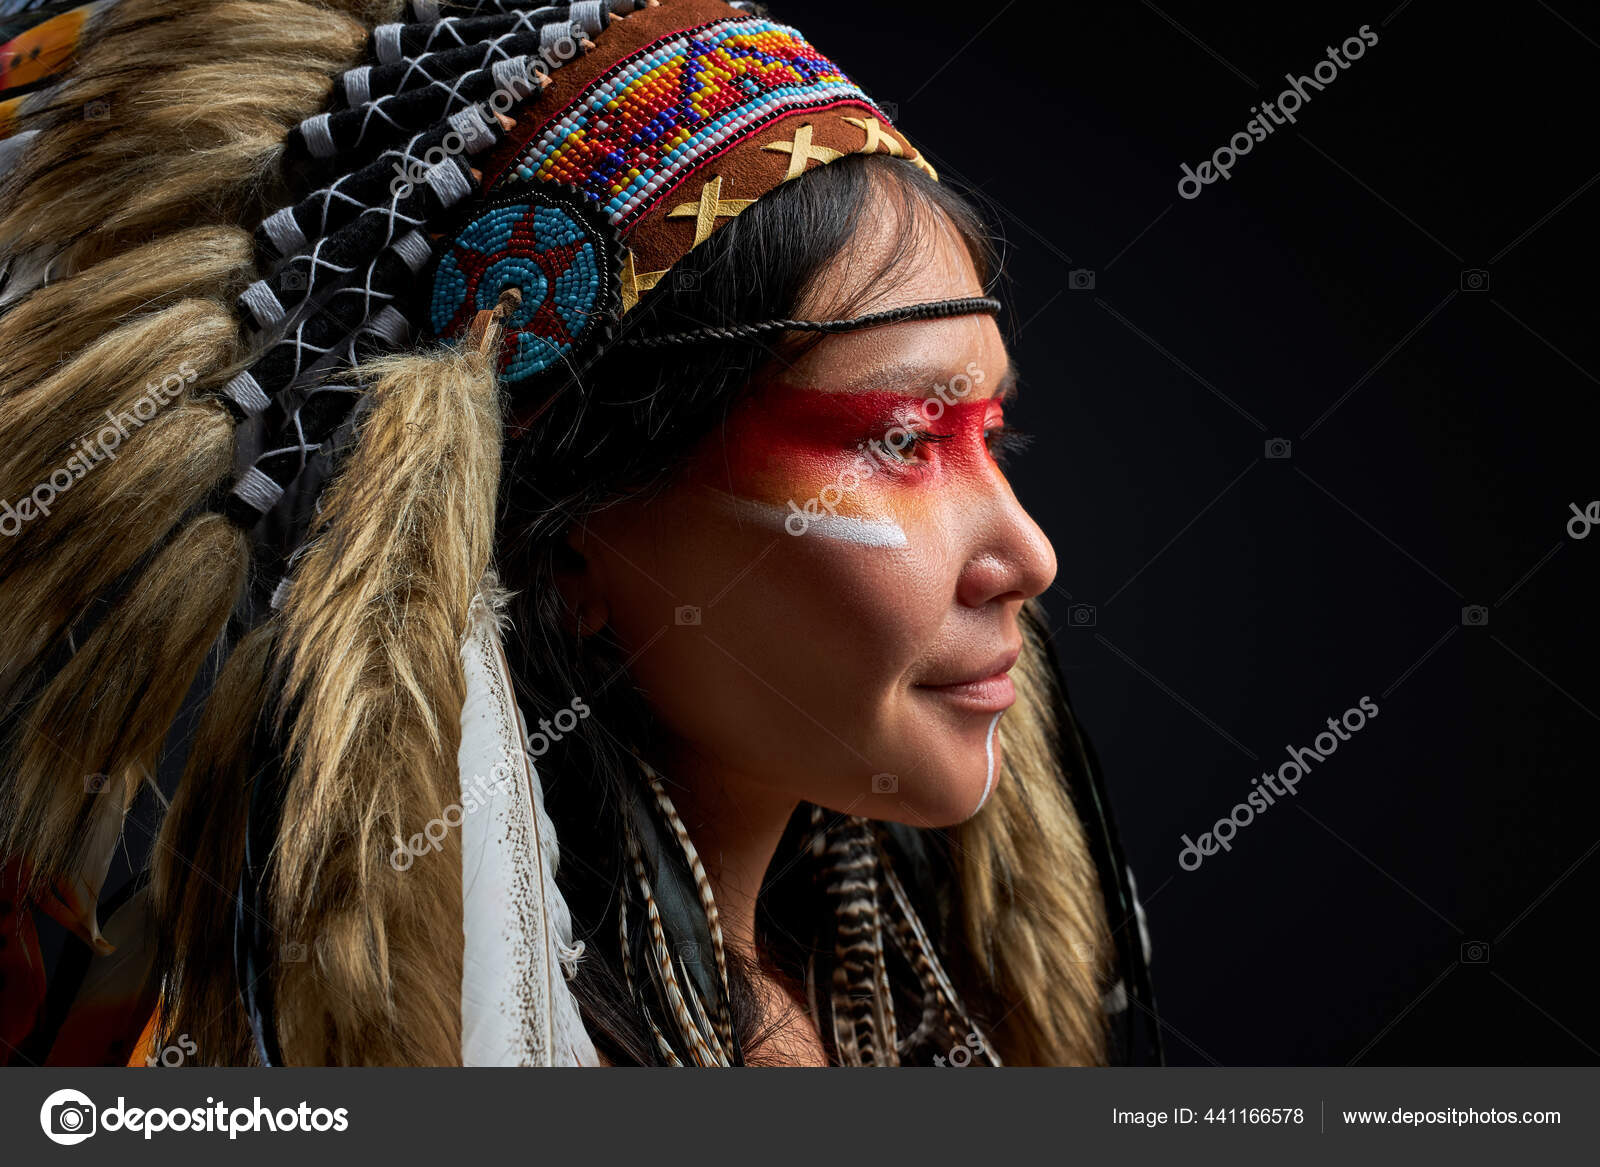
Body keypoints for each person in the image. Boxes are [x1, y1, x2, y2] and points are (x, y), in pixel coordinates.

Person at [0, 0, 1159, 1066]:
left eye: (989, 436)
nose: (1028, 556)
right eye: (901, 440)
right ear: (571, 545)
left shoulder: (930, 999)